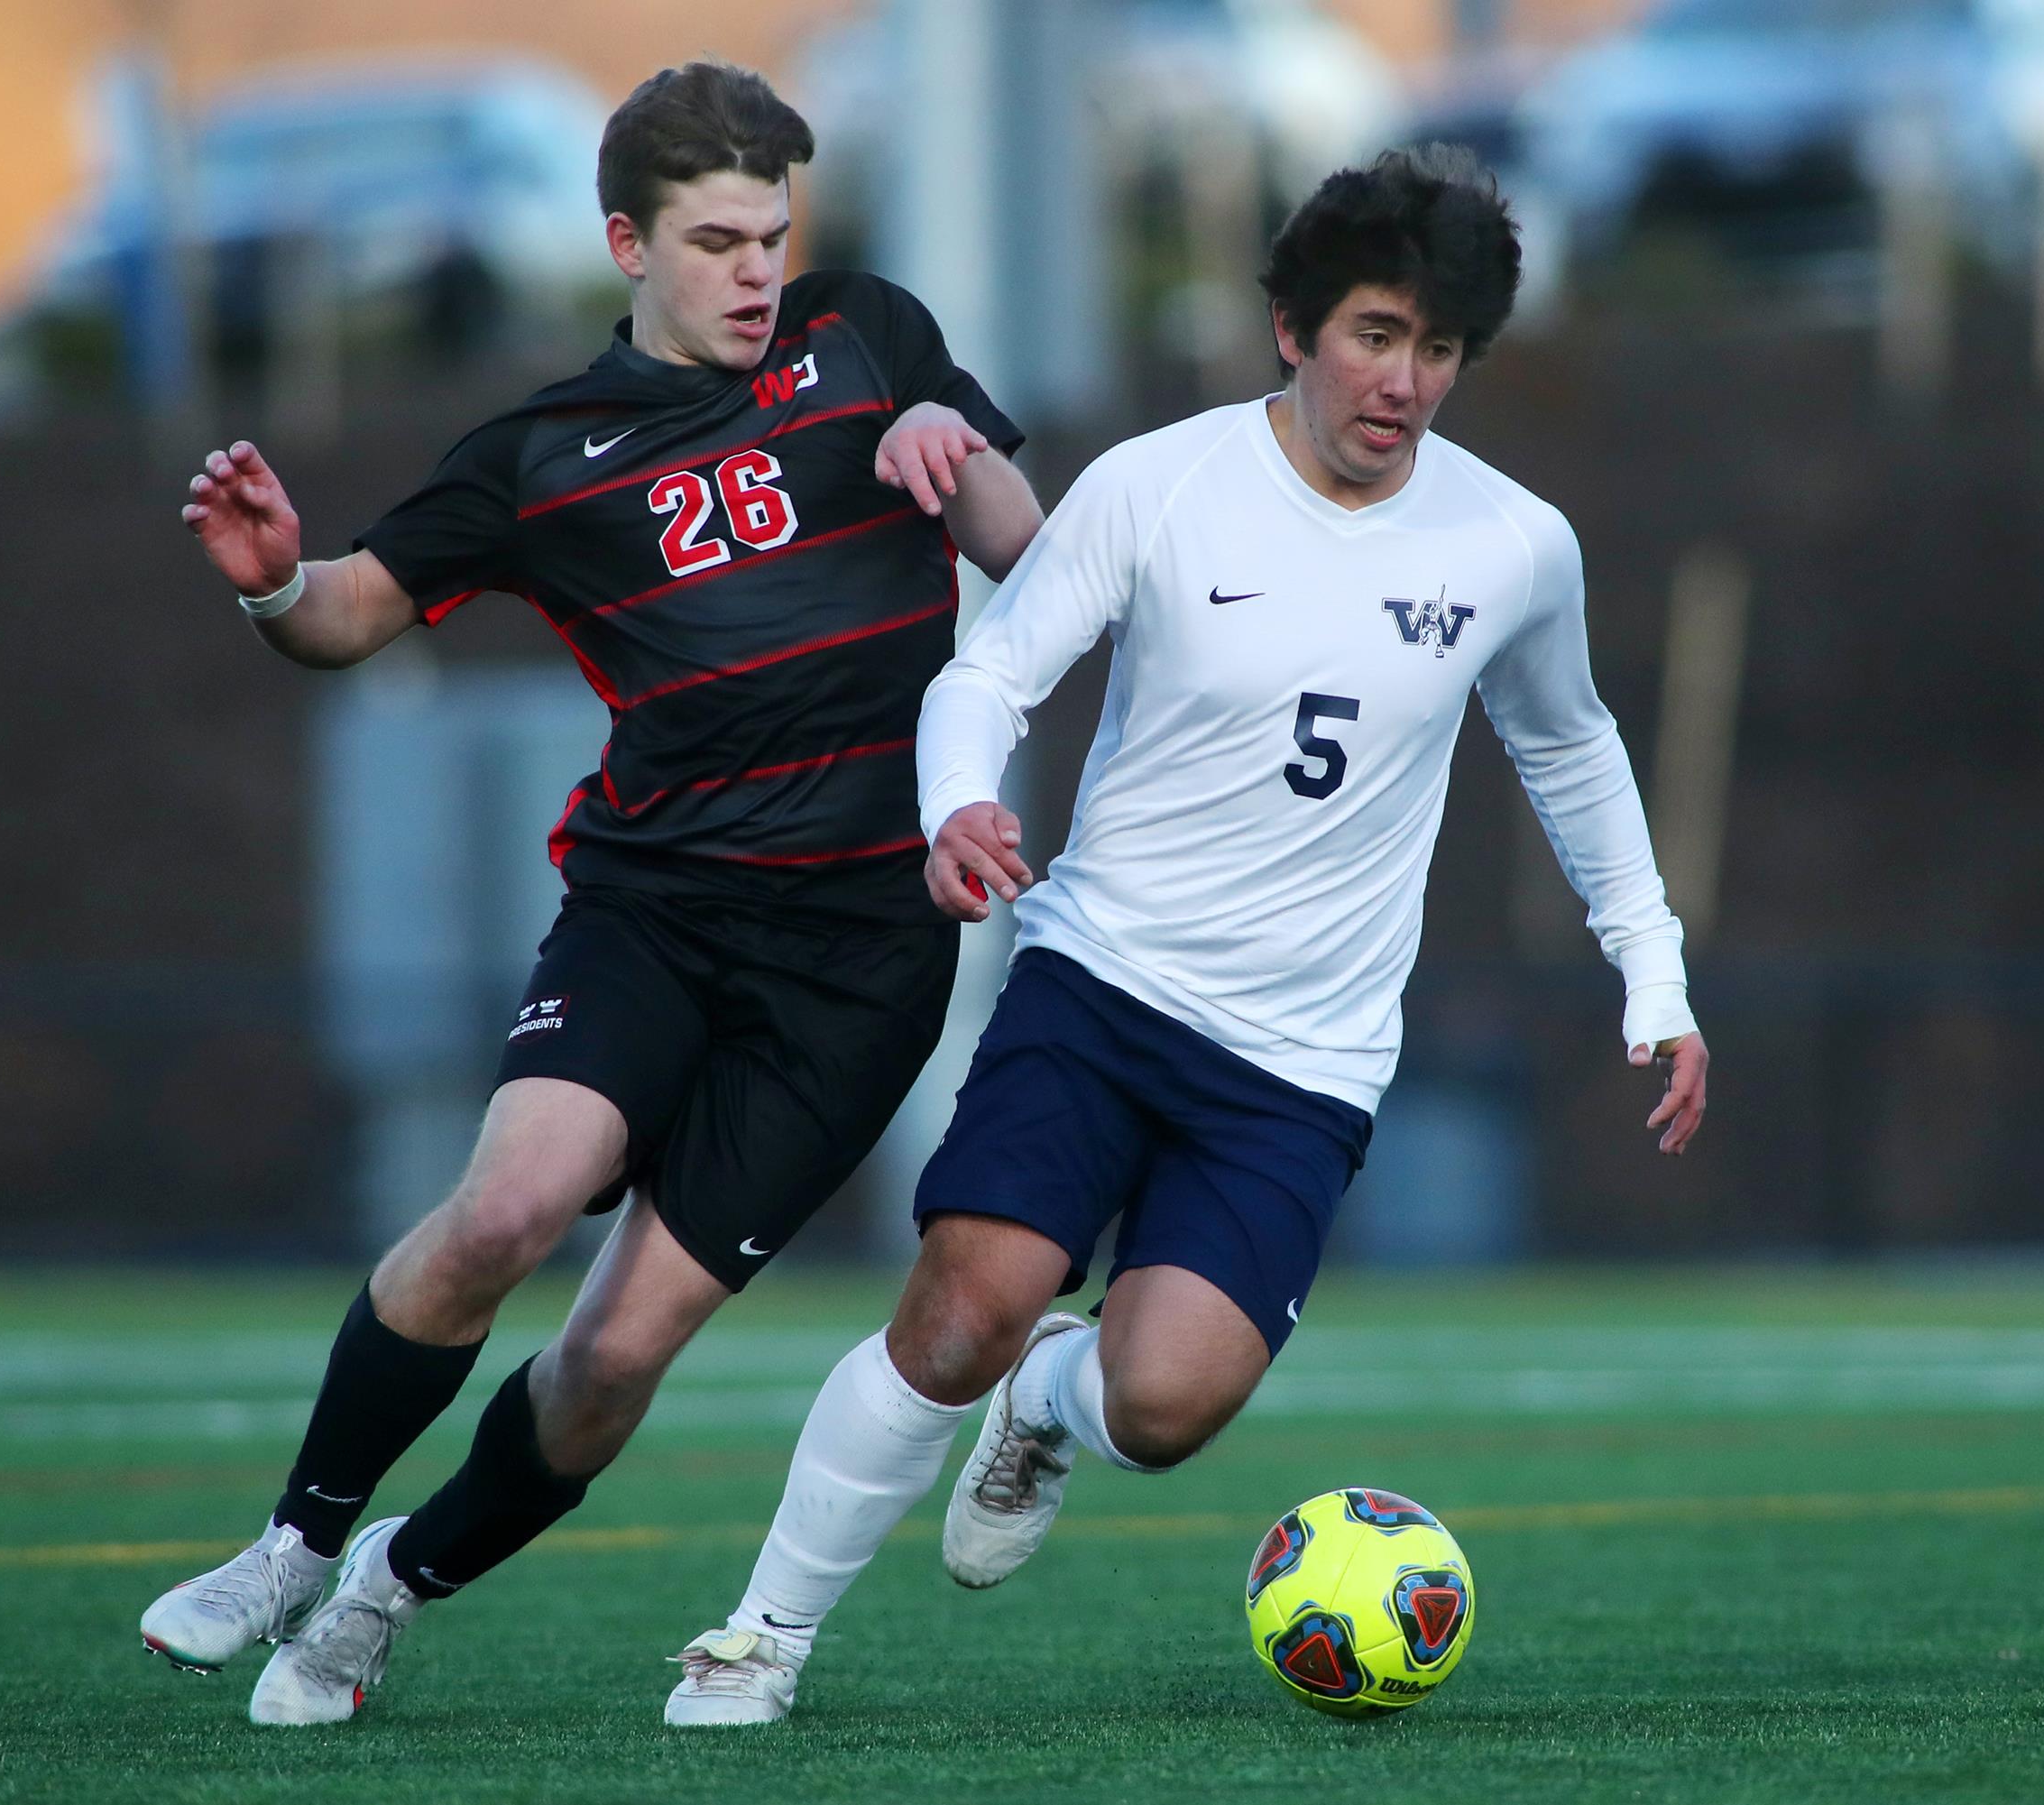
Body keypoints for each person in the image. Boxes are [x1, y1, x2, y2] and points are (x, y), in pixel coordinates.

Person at [662, 145, 1709, 1727]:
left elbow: (1569, 747)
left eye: (1436, 350)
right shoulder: (1159, 485)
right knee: (965, 1300)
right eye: (1374, 333)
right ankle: (761, 1632)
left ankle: (1054, 1404)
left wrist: (1655, 971)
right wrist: (956, 805)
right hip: (1103, 979)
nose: (1403, 381)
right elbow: (991, 674)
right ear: (1291, 327)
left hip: (1304, 1057)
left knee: (1163, 1402)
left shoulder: (1514, 545)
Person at [136, 60, 1042, 1727]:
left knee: (617, 1355)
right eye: (715, 240)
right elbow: (353, 612)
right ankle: (286, 1542)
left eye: (775, 233)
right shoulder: (544, 456)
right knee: (503, 1208)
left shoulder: (875, 337)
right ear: (628, 241)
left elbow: (1025, 547)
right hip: (660, 913)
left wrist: (948, 438)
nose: (759, 271)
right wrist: (275, 584)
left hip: (859, 962)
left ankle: (381, 1593)